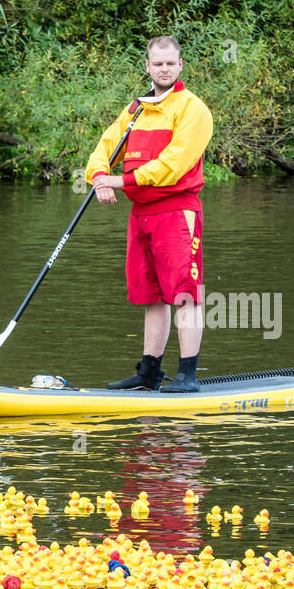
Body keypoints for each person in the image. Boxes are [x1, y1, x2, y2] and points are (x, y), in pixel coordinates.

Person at [86, 36, 213, 392]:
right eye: (158, 64)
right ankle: (149, 372)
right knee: (150, 295)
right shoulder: (135, 111)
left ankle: (187, 376)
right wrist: (99, 178)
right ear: (147, 66)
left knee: (184, 294)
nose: (164, 69)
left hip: (177, 211)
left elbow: (172, 166)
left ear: (180, 65)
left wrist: (119, 180)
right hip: (140, 215)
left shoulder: (193, 110)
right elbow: (104, 147)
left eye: (170, 63)